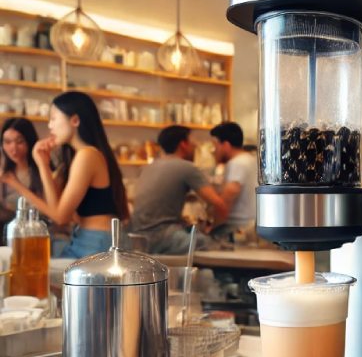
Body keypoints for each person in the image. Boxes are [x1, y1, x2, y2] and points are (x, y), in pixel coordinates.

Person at [1, 92, 129, 259]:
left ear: (75, 120)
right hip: (86, 238)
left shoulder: (87, 155)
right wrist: (44, 165)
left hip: (97, 241)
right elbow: (56, 210)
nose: (50, 126)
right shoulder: (79, 156)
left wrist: (23, 178)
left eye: (54, 118)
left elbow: (59, 217)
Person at [129, 125, 228, 254]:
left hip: (138, 239)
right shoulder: (186, 167)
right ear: (183, 144)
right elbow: (218, 204)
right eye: (193, 143)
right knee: (217, 247)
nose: (195, 147)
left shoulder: (147, 168)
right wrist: (216, 230)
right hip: (164, 237)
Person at [209, 122, 257, 241]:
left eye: (215, 146)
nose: (213, 151)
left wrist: (213, 230)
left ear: (225, 145)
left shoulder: (237, 163)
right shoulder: (251, 160)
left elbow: (229, 195)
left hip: (237, 230)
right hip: (250, 228)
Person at [0, 117, 43, 227]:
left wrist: (15, 184)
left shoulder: (43, 170)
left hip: (36, 230)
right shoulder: (3, 171)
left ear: (29, 141)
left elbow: (47, 212)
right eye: (7, 142)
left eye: (20, 142)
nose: (13, 149)